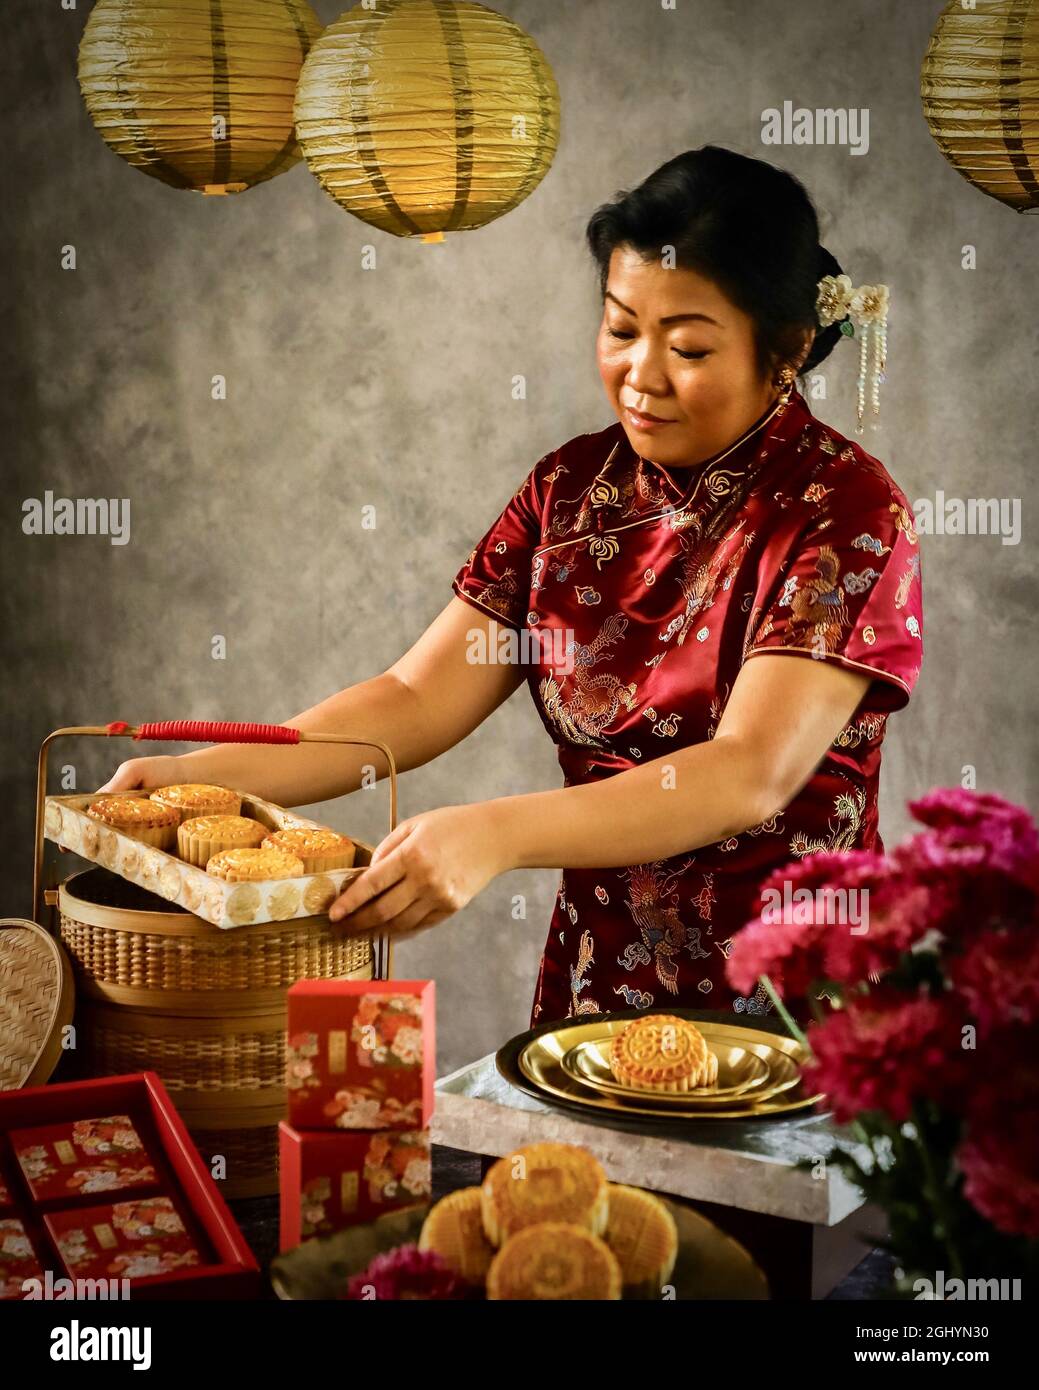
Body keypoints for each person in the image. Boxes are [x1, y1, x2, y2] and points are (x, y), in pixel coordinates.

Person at [100, 145, 923, 1028]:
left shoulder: (844, 509)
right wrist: (198, 782)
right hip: (599, 991)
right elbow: (413, 697)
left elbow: (747, 773)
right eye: (619, 329)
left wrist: (493, 834)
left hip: (801, 1007)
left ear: (788, 348)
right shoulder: (569, 490)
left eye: (686, 347)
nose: (640, 377)